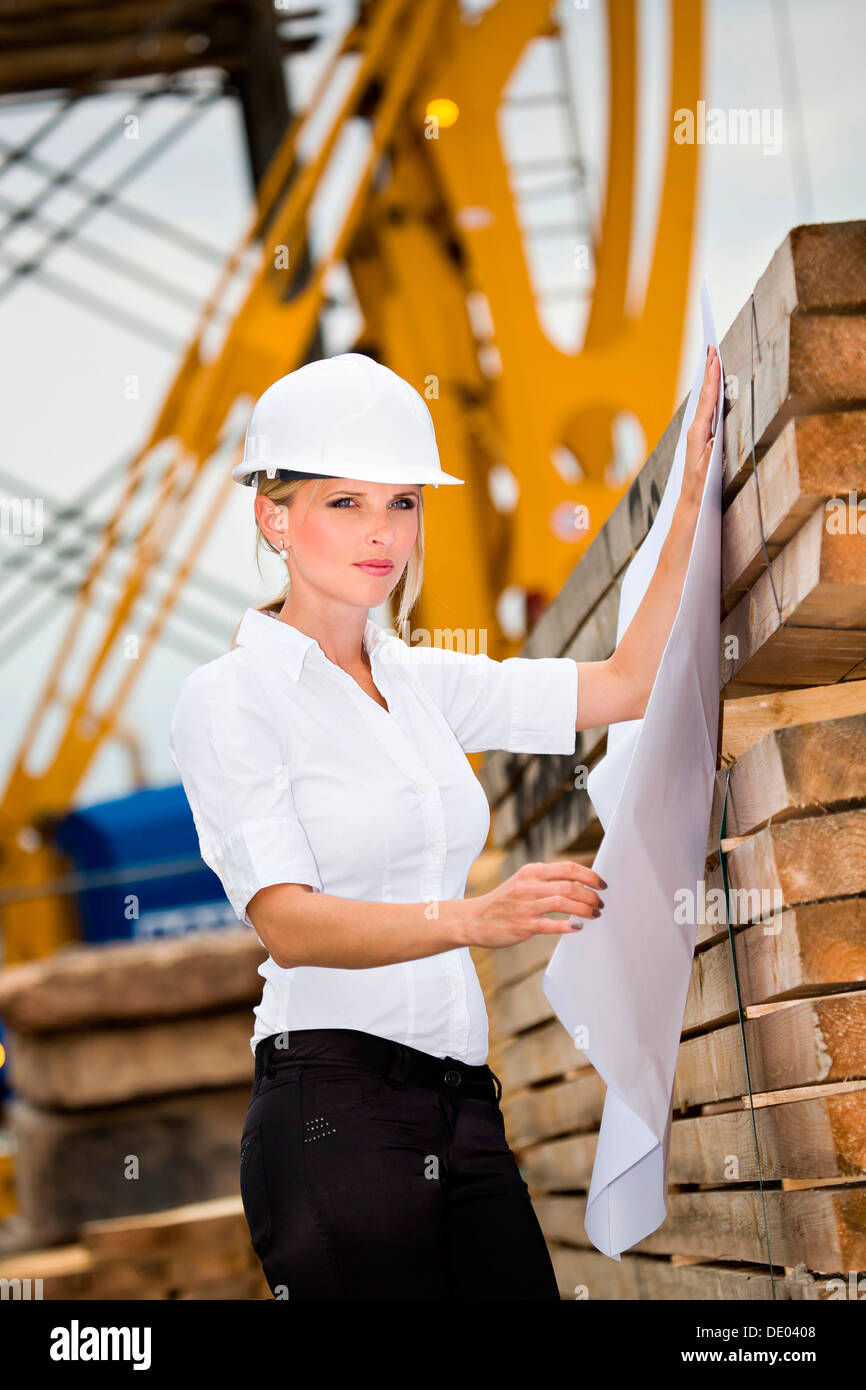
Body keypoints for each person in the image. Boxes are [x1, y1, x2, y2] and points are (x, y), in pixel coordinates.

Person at [168, 349, 719, 1300]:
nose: (383, 533)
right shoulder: (230, 698)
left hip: (463, 1108)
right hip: (332, 1112)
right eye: (345, 503)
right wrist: (472, 918)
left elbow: (625, 685)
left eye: (403, 503)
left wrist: (693, 492)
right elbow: (289, 926)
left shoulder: (421, 681)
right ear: (274, 516)